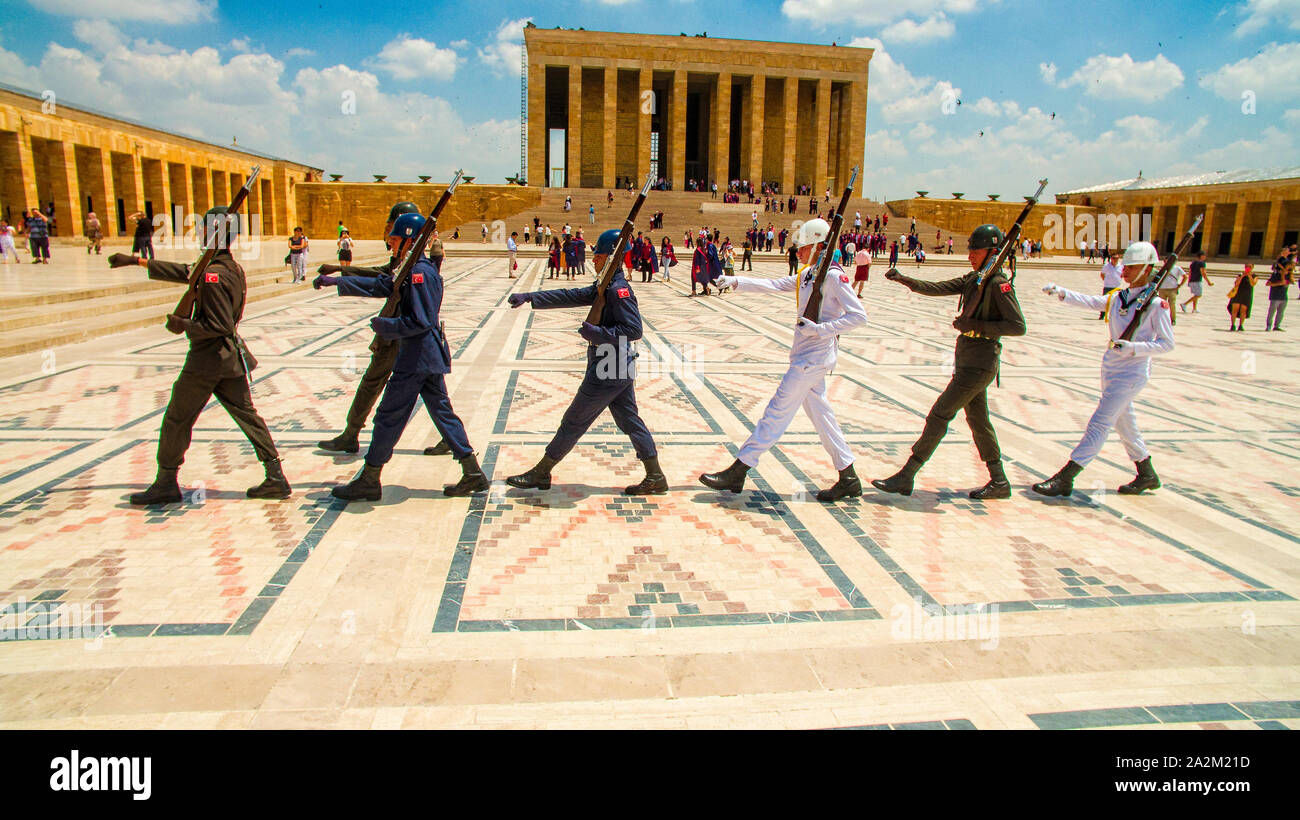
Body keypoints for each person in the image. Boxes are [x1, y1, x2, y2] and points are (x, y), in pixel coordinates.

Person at [108, 207, 291, 505]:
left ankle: (166, 481)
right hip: (229, 358)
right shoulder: (229, 268)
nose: (199, 232)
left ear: (213, 232)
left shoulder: (213, 276)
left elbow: (218, 325)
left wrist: (183, 325)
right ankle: (275, 476)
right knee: (247, 416)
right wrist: (137, 261)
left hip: (207, 361)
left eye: (204, 228)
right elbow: (187, 273)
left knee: (177, 419)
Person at [700, 218, 868, 501]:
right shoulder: (809, 274)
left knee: (776, 412)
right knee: (823, 418)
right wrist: (735, 281)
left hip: (813, 359)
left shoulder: (833, 276)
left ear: (818, 246)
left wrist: (821, 329)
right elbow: (774, 284)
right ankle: (848, 476)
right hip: (804, 357)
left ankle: (740, 469)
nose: (798, 252)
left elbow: (858, 316)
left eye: (802, 247)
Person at [326, 212, 489, 501]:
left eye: (396, 237)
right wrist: (337, 282)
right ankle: (473, 472)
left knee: (388, 416)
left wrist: (384, 325)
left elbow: (421, 320)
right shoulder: (412, 268)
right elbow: (383, 287)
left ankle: (370, 477)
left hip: (416, 358)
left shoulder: (420, 273)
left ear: (410, 240)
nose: (390, 241)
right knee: (442, 413)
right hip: (426, 357)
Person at [504, 228, 666, 495]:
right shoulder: (606, 284)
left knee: (574, 420)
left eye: (598, 255)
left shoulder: (618, 289)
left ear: (610, 257)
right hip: (614, 363)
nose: (593, 259)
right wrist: (532, 297)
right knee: (629, 420)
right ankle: (656, 476)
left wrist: (598, 333)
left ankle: (541, 472)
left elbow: (634, 330)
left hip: (610, 366)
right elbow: (573, 295)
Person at [872, 224, 1027, 500]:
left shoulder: (996, 284)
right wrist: (904, 279)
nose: (970, 256)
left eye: (975, 251)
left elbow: (1017, 326)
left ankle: (907, 475)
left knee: (939, 415)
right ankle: (999, 480)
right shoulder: (976, 280)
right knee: (979, 422)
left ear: (992, 252)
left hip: (980, 364)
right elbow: (938, 288)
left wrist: (973, 323)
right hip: (968, 360)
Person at [1034, 241, 1175, 497]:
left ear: (1146, 269)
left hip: (1132, 373)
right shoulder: (1120, 297)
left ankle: (1066, 476)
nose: (1125, 271)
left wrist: (1134, 347)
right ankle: (1147, 473)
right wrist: (1061, 291)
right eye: (1126, 266)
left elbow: (1166, 344)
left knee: (1100, 423)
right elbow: (1092, 302)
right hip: (1111, 369)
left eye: (1132, 267)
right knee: (1125, 424)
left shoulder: (1156, 305)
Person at [315, 201, 451, 457]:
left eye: (392, 231)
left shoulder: (418, 261)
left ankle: (354, 438)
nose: (389, 237)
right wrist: (339, 276)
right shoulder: (408, 258)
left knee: (380, 385)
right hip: (404, 330)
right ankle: (454, 443)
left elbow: (385, 280)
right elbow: (384, 278)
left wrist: (340, 274)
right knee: (433, 390)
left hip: (402, 330)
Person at [1265, 258, 1293, 332]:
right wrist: (1278, 283)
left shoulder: (1288, 275)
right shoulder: (1275, 275)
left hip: (1284, 297)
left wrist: (1285, 275)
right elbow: (1268, 284)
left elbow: (1290, 282)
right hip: (1275, 296)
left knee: (1280, 312)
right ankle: (1268, 326)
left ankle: (1277, 326)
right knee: (1272, 312)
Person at [1227, 264, 1257, 331]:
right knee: (1235, 310)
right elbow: (1236, 283)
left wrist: (1249, 276)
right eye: (1247, 267)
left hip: (1247, 294)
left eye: (1250, 267)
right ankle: (1233, 325)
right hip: (1238, 293)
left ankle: (1241, 325)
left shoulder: (1254, 276)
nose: (1248, 268)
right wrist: (1242, 276)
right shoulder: (1240, 274)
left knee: (1243, 310)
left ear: (1252, 268)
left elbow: (1253, 284)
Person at [1099, 251, 1124, 319]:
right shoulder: (1106, 266)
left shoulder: (1121, 266)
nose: (1116, 259)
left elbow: (1122, 275)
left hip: (1116, 287)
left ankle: (1114, 316)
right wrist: (1107, 281)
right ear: (1111, 258)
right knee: (1104, 301)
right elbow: (1102, 274)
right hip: (1107, 286)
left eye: (1117, 258)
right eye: (1114, 258)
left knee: (1116, 302)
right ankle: (1102, 315)